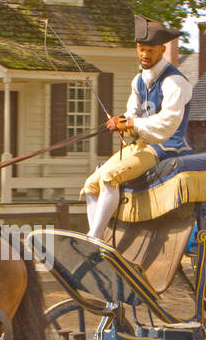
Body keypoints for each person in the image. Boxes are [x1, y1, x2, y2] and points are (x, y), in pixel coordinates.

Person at [82, 15, 193, 240]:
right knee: (91, 183)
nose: (145, 55)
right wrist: (122, 122)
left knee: (110, 175)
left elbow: (166, 124)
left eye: (151, 50)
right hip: (143, 145)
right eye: (141, 49)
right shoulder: (138, 81)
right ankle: (96, 234)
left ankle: (95, 237)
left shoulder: (175, 82)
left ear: (162, 50)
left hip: (168, 147)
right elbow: (133, 115)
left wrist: (131, 123)